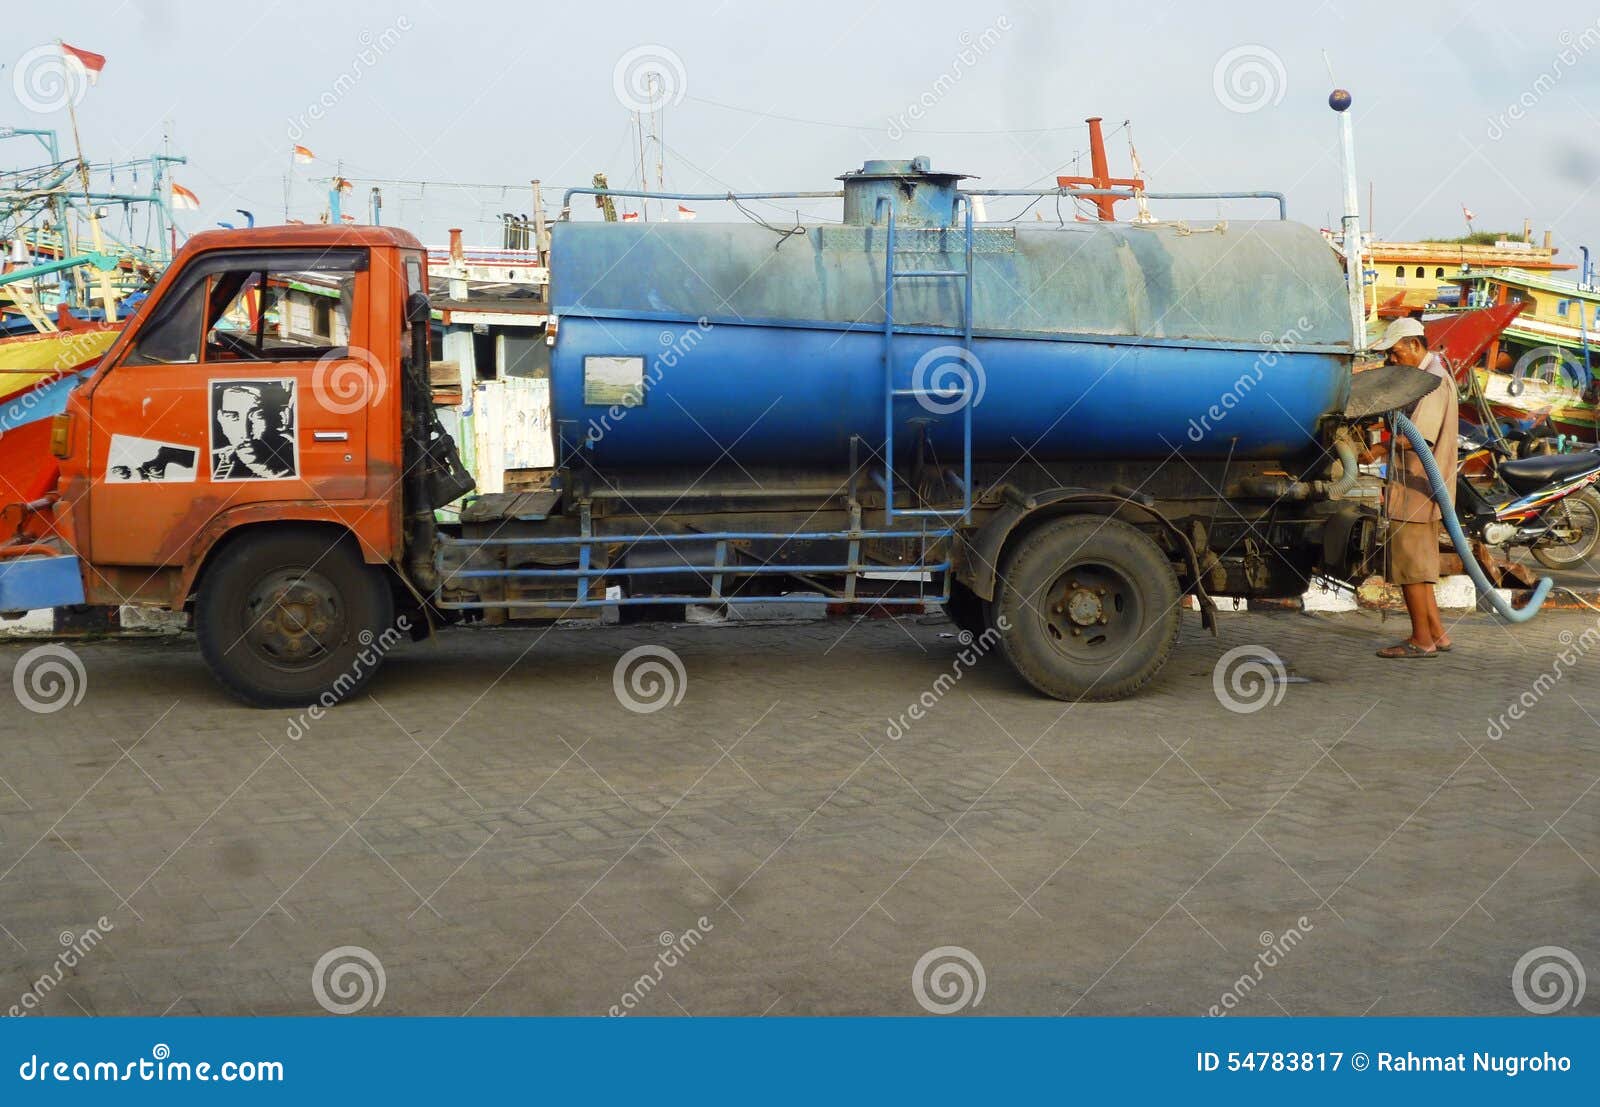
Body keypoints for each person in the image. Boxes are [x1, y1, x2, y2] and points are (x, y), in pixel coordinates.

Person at [1359, 317, 1458, 658]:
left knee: (1410, 569)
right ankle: (1437, 633)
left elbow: (1419, 438)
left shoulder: (1433, 382)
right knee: (1422, 567)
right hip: (1421, 490)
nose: (1391, 360)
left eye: (1395, 353)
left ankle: (1421, 640)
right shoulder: (1428, 378)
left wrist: (1377, 449)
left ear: (1415, 345)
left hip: (1417, 491)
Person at [212, 381, 296, 479]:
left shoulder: (303, 459)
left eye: (257, 416)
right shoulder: (217, 464)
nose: (245, 434)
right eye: (232, 416)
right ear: (220, 418)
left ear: (283, 418)